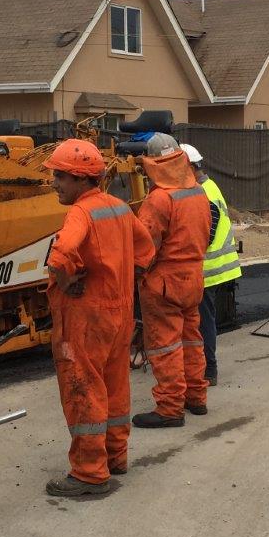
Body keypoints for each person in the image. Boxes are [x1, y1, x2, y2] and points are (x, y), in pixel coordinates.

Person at [42, 138, 154, 497]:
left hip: (87, 318)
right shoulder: (119, 207)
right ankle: (115, 456)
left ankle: (90, 472)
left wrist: (66, 280)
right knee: (115, 384)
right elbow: (145, 250)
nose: (55, 183)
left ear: (80, 179)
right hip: (119, 313)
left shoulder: (80, 213)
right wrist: (122, 277)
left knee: (83, 389)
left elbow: (59, 258)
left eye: (60, 176)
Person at [133, 133, 211, 428]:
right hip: (192, 279)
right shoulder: (197, 193)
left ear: (153, 165)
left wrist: (134, 273)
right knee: (191, 340)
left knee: (165, 345)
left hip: (164, 283)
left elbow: (144, 248)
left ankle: (169, 407)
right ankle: (196, 398)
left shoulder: (159, 199)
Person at [179, 143, 241, 386]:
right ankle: (203, 367)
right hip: (212, 268)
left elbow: (206, 233)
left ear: (191, 168)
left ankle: (208, 370)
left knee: (203, 321)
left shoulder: (204, 192)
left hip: (209, 270)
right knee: (203, 319)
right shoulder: (206, 187)